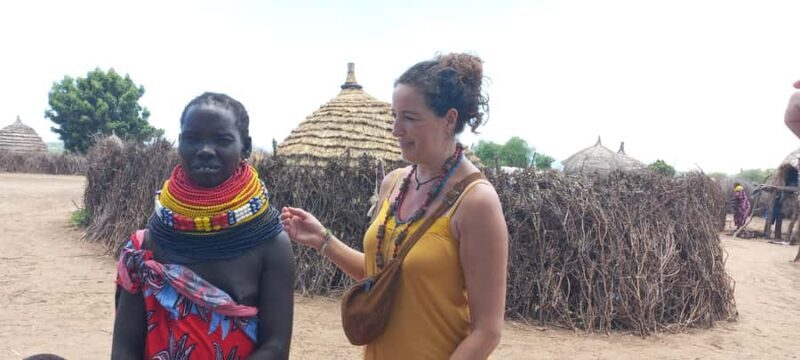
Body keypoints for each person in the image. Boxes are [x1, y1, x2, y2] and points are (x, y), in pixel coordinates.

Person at [280, 53, 509, 359]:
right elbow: (384, 276)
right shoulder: (394, 183)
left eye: (410, 118)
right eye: (395, 116)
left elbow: (487, 331)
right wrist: (323, 240)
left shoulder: (476, 202)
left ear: (449, 119)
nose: (395, 129)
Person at [112, 92, 295, 359]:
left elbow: (276, 346)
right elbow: (125, 347)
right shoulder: (146, 247)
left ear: (245, 147)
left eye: (222, 140)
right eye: (192, 139)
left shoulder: (271, 245)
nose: (205, 150)